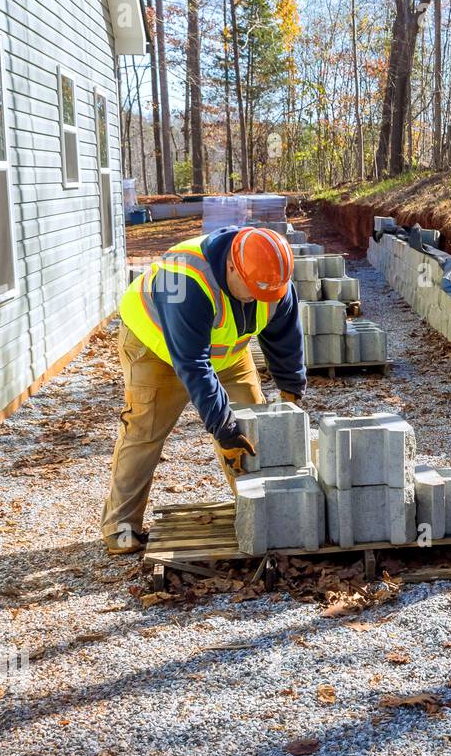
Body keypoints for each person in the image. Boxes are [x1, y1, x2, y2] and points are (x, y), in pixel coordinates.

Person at [100, 226, 307, 555]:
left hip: (227, 353)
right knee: (145, 429)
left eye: (266, 293)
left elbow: (285, 338)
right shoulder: (185, 279)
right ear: (231, 268)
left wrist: (292, 391)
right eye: (251, 290)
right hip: (157, 349)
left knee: (255, 431)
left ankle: (259, 515)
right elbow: (193, 364)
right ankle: (120, 528)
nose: (257, 298)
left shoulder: (274, 281)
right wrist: (223, 429)